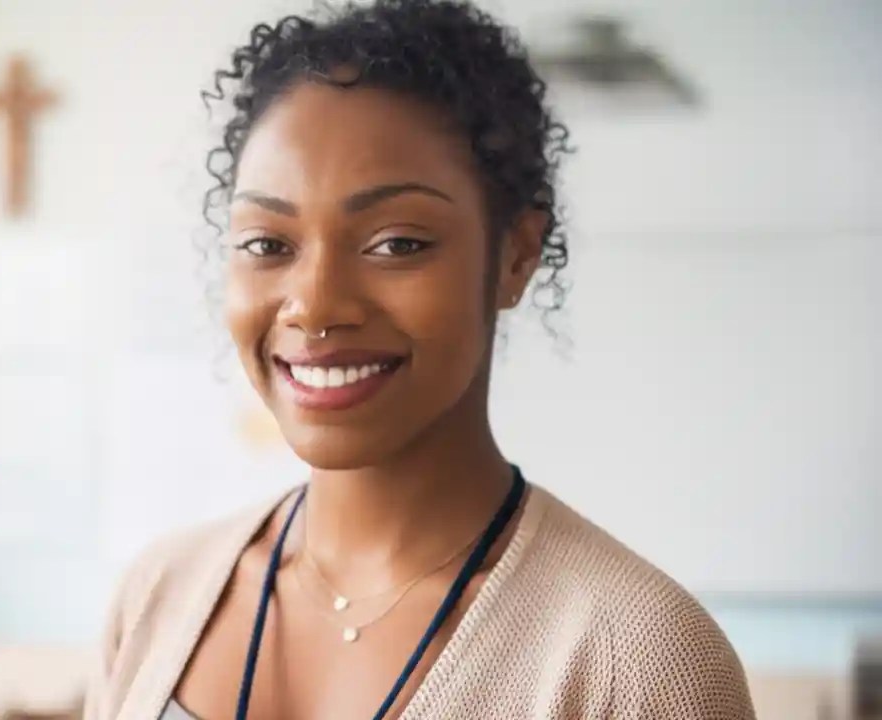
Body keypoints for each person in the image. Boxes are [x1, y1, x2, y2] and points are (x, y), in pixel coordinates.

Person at [86, 1, 755, 717]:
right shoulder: (157, 594)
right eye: (268, 244)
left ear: (517, 254)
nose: (314, 305)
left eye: (397, 242)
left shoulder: (641, 660)